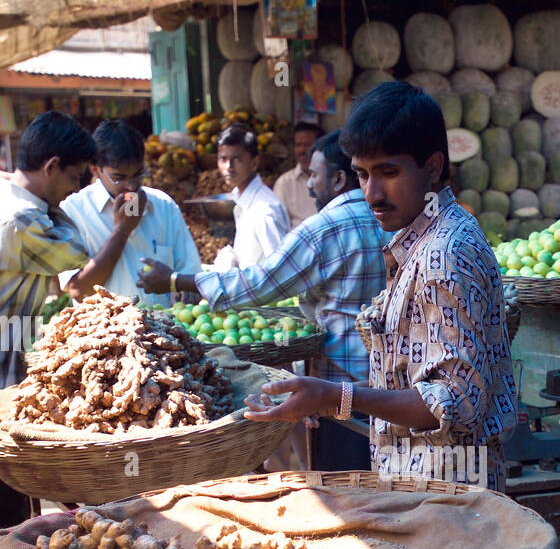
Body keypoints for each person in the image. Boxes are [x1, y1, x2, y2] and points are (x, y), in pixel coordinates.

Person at [242, 81, 517, 492]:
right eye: (362, 174)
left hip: (449, 495)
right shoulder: (425, 236)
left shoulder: (444, 255)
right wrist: (325, 399)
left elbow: (454, 403)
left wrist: (335, 397)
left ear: (434, 166)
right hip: (420, 482)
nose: (372, 192)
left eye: (389, 172)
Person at [135, 130, 387, 470]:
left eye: (314, 175)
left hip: (339, 392)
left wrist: (175, 279)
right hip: (392, 392)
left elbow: (261, 283)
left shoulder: (324, 228)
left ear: (340, 178)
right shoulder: (393, 219)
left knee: (346, 489)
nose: (309, 184)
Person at [0, 111, 139, 524]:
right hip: (5, 349)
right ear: (51, 166)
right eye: (74, 177)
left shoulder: (13, 202)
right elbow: (77, 250)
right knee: (8, 490)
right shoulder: (22, 221)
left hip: (13, 342)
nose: (75, 189)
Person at [59, 119, 200, 304]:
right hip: (104, 332)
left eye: (138, 174)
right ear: (95, 168)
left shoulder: (164, 206)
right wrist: (122, 231)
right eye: (119, 178)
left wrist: (185, 291)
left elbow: (191, 276)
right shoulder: (73, 212)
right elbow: (78, 289)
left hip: (163, 329)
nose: (132, 186)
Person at [212, 123, 288, 270]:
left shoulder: (264, 211)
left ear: (254, 163)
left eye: (237, 159)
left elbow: (281, 271)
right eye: (223, 159)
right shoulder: (241, 200)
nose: (229, 166)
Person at [273, 119, 319, 229]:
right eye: (298, 145)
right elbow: (278, 223)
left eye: (307, 144)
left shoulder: (331, 179)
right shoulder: (284, 183)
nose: (302, 150)